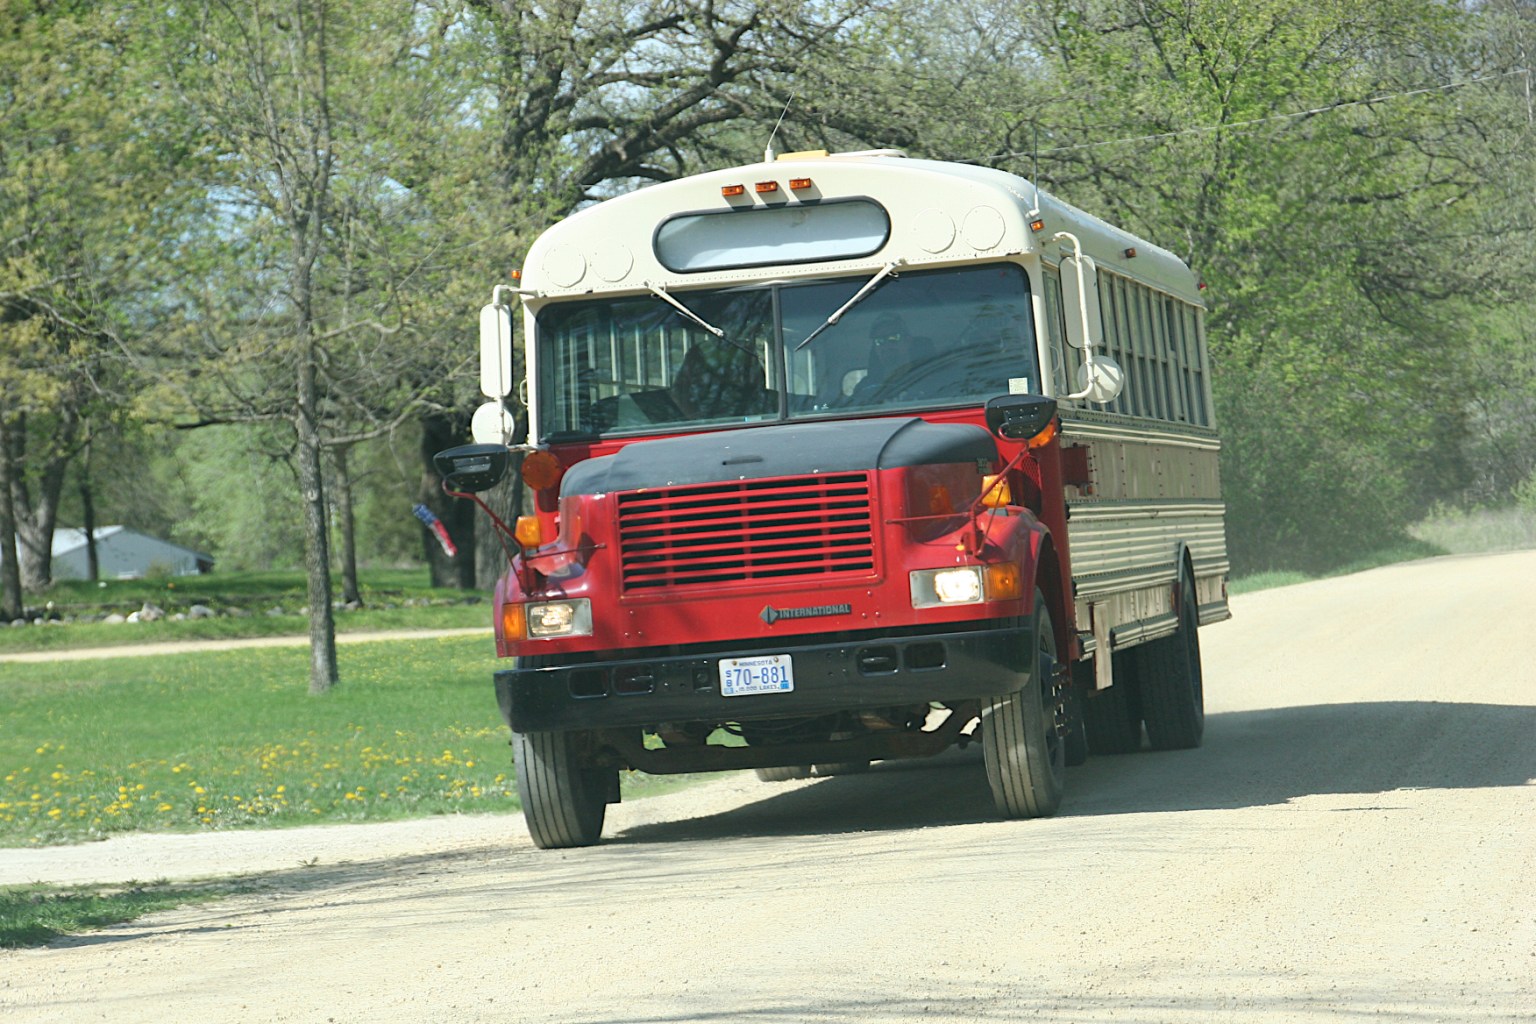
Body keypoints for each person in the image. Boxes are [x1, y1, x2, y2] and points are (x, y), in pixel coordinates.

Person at [851, 313, 933, 403]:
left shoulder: (931, 379)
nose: (886, 346)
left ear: (907, 341)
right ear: (875, 349)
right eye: (879, 341)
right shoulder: (865, 387)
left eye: (893, 338)